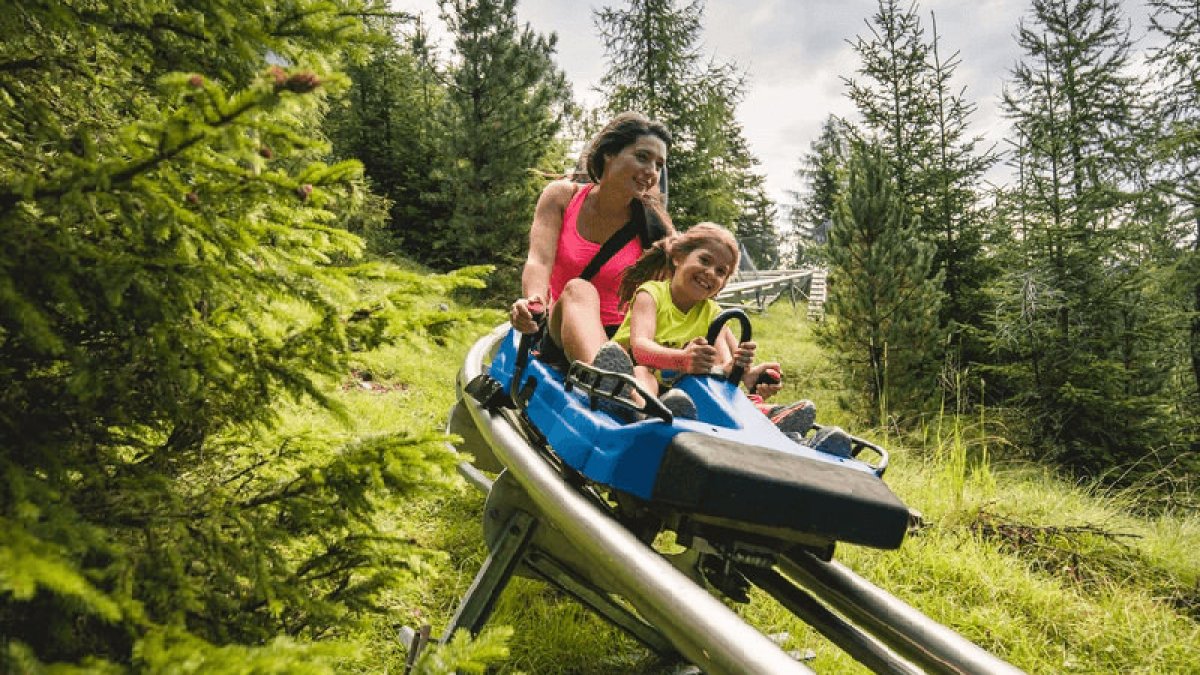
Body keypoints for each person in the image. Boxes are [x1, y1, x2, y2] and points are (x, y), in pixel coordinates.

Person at [592, 224, 818, 439]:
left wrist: (741, 371)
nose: (710, 273)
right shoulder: (651, 294)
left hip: (680, 395)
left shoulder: (713, 314)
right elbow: (640, 349)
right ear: (678, 257)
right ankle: (648, 412)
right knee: (643, 373)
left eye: (721, 271)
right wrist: (683, 359)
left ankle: (766, 421)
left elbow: (720, 369)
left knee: (714, 389)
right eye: (704, 260)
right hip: (634, 375)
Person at [509, 111, 674, 369]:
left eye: (658, 165)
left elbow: (679, 291)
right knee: (579, 289)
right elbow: (539, 261)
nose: (651, 172)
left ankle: (618, 381)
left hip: (625, 341)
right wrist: (534, 303)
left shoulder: (655, 227)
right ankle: (606, 375)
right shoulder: (562, 197)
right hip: (562, 329)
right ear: (609, 154)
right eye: (642, 157)